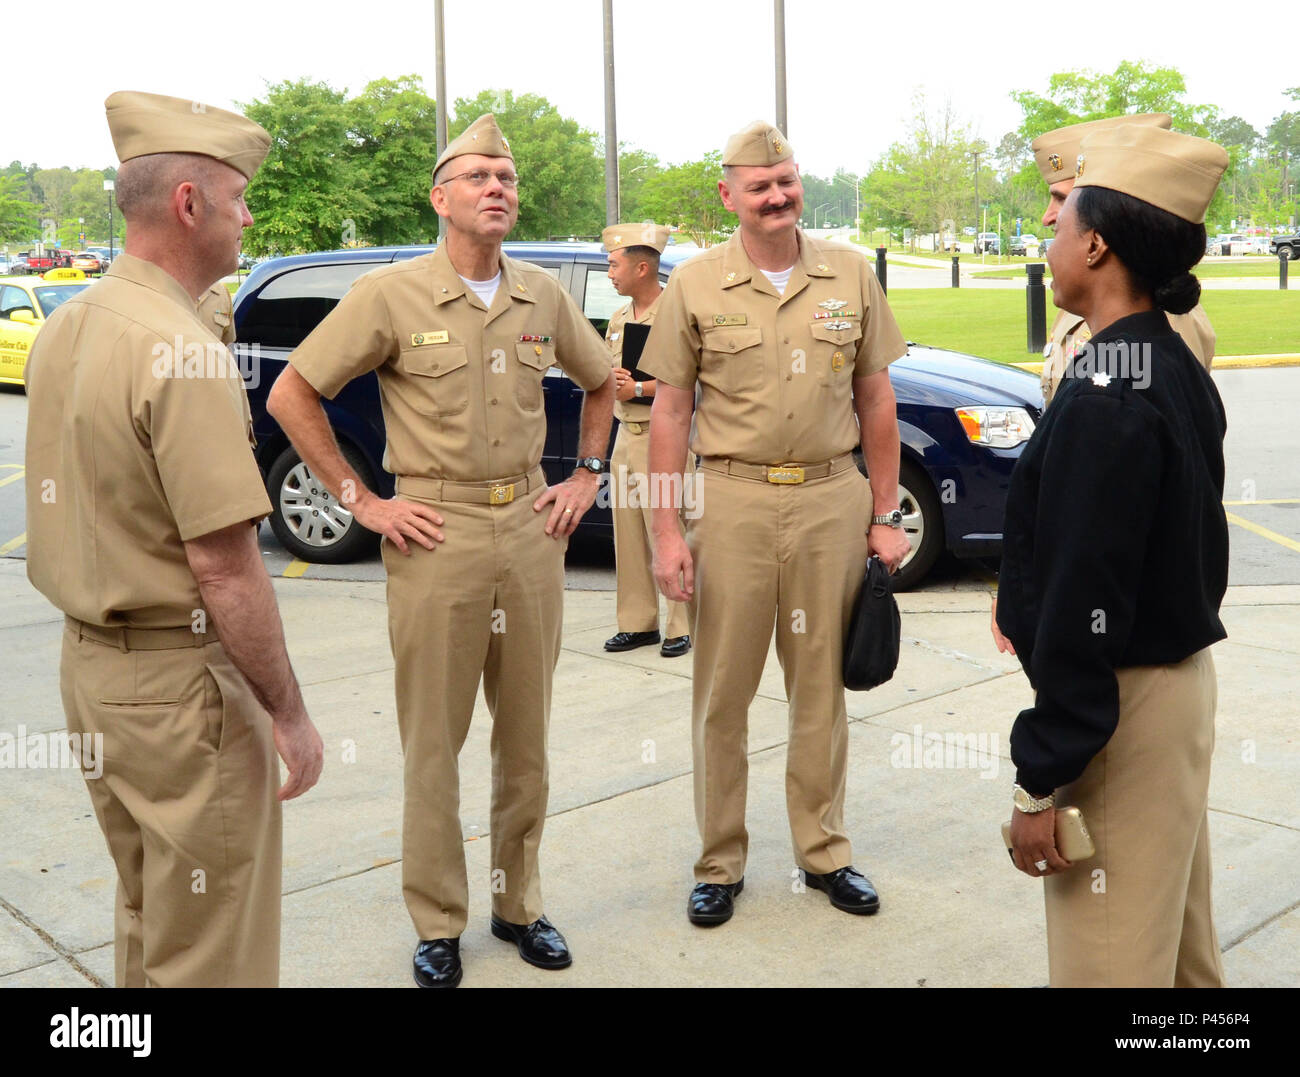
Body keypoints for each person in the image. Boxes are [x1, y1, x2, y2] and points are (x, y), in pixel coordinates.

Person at [266, 114, 614, 988]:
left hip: (531, 532)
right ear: (441, 197)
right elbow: (293, 392)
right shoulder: (393, 295)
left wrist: (586, 478)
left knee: (526, 739)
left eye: (508, 176)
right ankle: (437, 920)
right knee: (434, 742)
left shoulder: (543, 294)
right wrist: (363, 501)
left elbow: (607, 382)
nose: (499, 186)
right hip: (436, 534)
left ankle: (518, 903)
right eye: (479, 176)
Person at [24, 91, 323, 988]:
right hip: (179, 689)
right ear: (189, 204)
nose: (249, 218)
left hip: (93, 675)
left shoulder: (68, 322)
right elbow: (225, 566)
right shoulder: (181, 349)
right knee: (213, 954)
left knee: (150, 920)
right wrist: (290, 713)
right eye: (239, 200)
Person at [641, 122, 910, 926]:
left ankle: (824, 851)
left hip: (833, 497)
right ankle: (719, 861)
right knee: (722, 692)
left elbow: (877, 401)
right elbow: (670, 414)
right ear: (729, 196)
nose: (777, 195)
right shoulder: (695, 284)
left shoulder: (849, 274)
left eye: (787, 180)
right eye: (760, 185)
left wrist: (886, 514)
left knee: (821, 687)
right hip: (733, 502)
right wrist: (663, 532)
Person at [996, 123, 1230, 987]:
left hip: (1120, 710)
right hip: (1167, 693)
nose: (1046, 242)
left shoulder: (1109, 392)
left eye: (1059, 227)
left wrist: (1038, 784)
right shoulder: (1163, 360)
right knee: (1177, 964)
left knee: (1109, 967)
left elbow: (1083, 601)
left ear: (1095, 244)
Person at [991, 112, 1218, 656]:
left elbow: (1124, 521)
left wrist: (1065, 708)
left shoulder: (1144, 341)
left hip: (1124, 652)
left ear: (1099, 237)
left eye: (1064, 202)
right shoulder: (1108, 328)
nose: (1049, 220)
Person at [600, 222, 691, 659]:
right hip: (625, 436)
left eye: (614, 265)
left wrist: (637, 389)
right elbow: (610, 372)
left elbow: (692, 381)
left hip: (663, 436)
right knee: (629, 534)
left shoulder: (676, 314)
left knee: (670, 529)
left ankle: (680, 625)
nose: (609, 273)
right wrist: (612, 380)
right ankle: (638, 624)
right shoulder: (619, 319)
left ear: (642, 267)